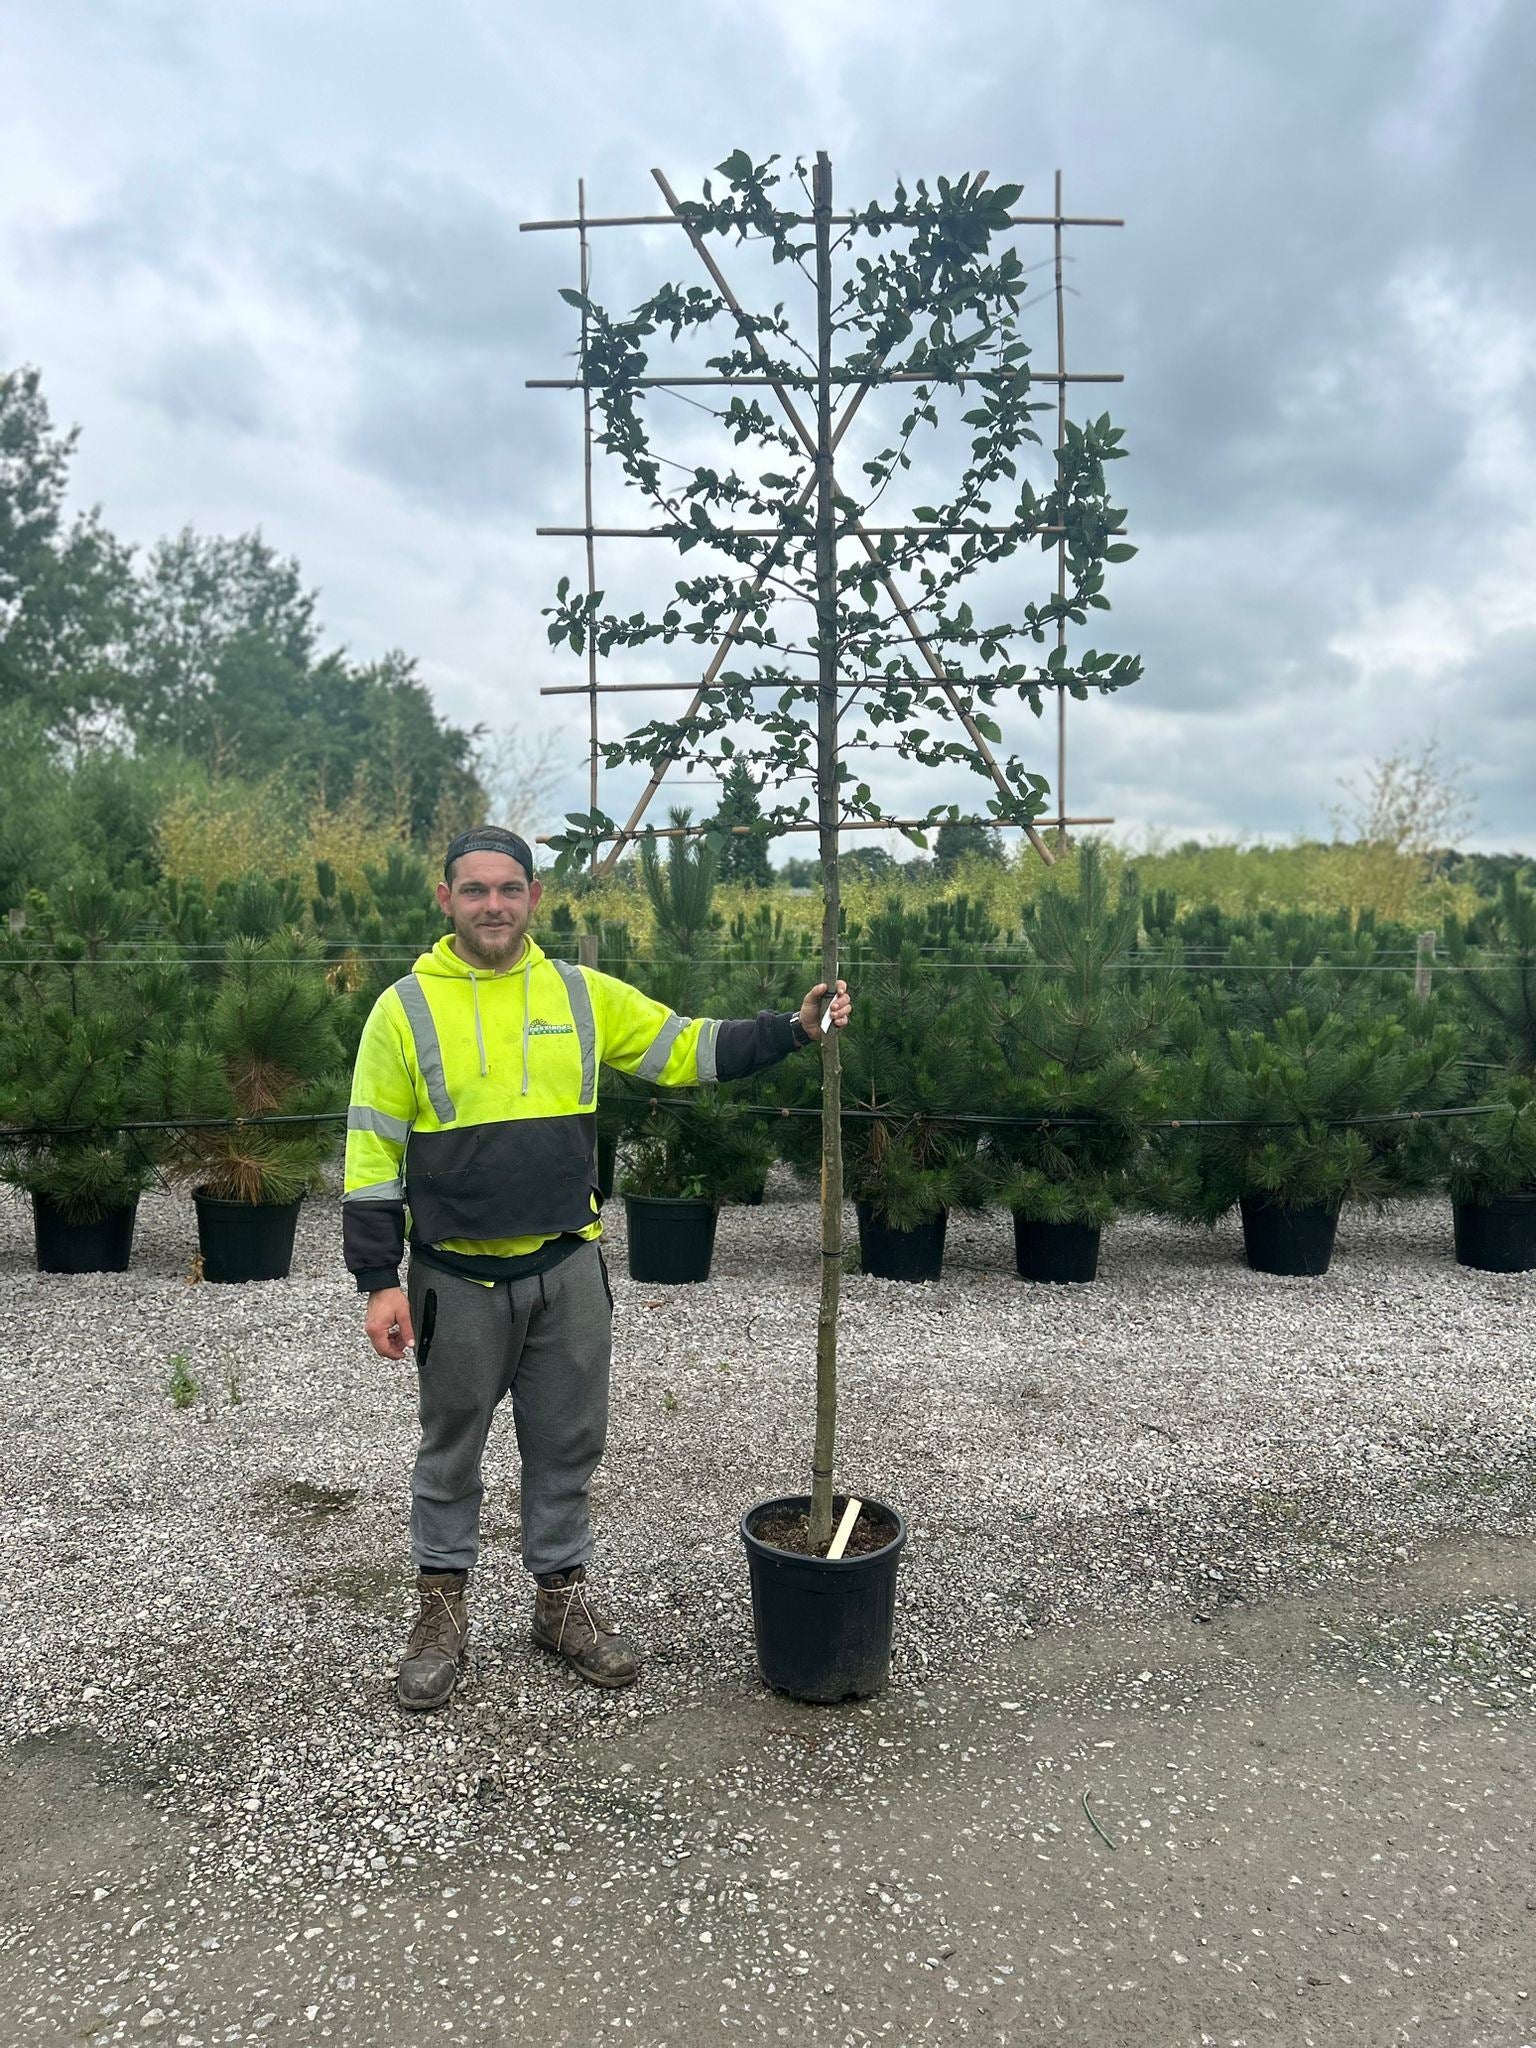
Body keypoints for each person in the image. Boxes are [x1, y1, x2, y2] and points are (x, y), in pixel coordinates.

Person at [343, 825, 851, 1713]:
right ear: (446, 899)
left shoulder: (578, 994)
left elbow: (685, 1047)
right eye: (475, 890)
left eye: (509, 888)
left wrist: (793, 1030)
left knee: (567, 1444)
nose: (493, 905)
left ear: (534, 897)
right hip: (454, 1279)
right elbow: (371, 1151)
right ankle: (440, 1614)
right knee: (449, 1448)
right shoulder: (404, 1009)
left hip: (567, 1270)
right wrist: (379, 1279)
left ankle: (561, 1605)